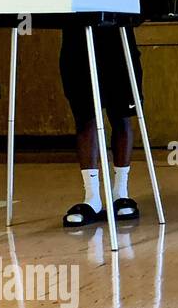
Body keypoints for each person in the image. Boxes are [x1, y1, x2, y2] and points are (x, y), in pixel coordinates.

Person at [60, 26, 143, 226]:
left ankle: (120, 192)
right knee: (85, 117)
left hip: (116, 37)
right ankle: (92, 197)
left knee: (121, 115)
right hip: (78, 41)